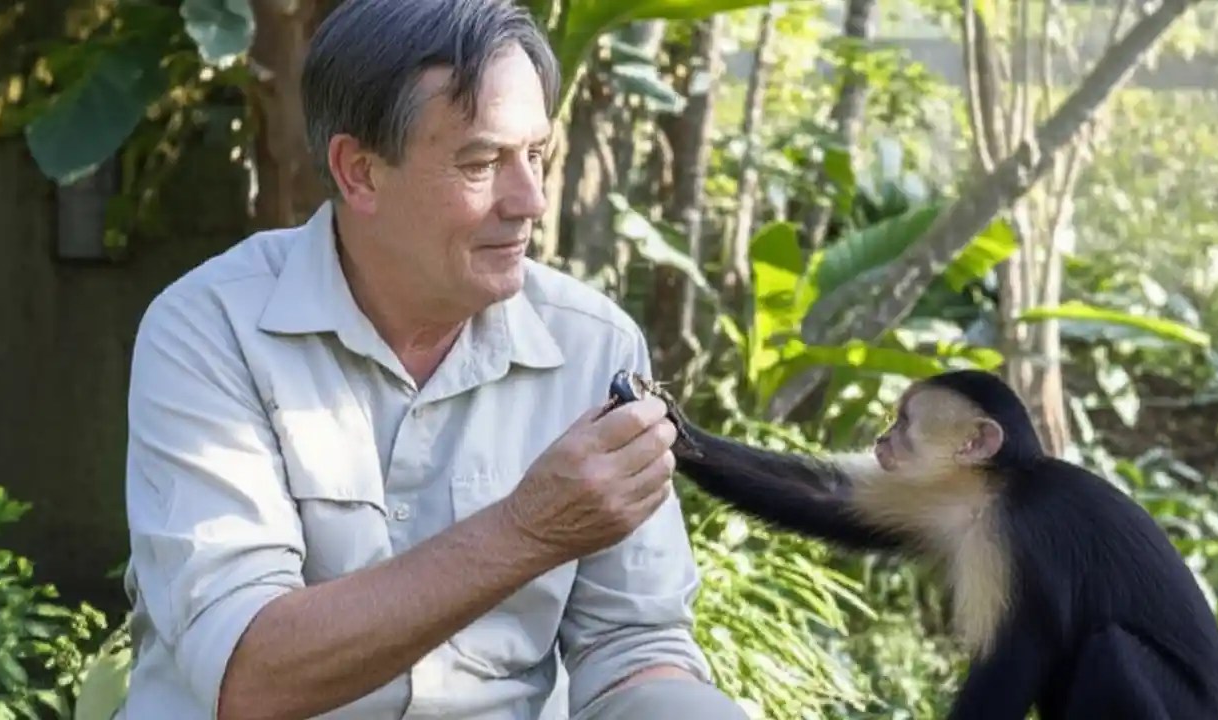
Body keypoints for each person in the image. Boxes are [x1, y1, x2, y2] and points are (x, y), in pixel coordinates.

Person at [119, 0, 749, 718]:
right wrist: (527, 530)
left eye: (535, 154)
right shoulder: (209, 329)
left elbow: (633, 645)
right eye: (481, 162)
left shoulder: (593, 343)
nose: (531, 200)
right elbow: (249, 676)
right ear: (358, 172)